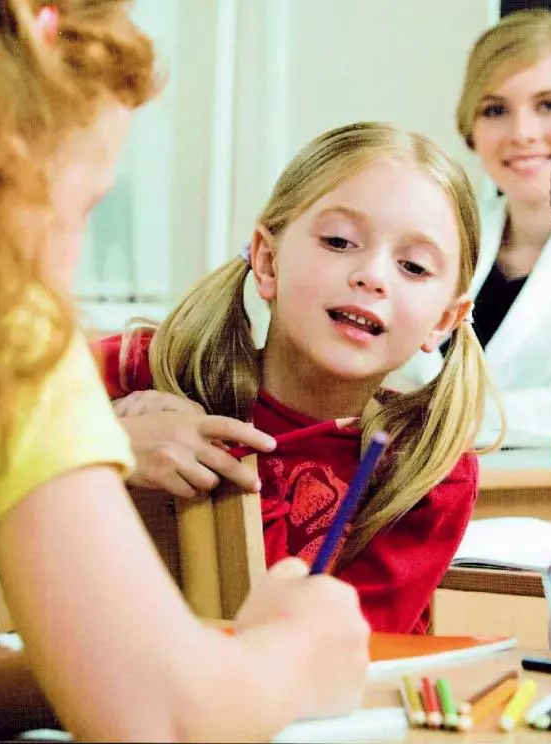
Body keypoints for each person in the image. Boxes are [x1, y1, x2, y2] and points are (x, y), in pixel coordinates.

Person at [0, 1, 369, 740]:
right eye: (83, 208)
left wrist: (101, 665)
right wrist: (294, 656)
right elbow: (168, 721)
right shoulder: (20, 343)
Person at [96, 121, 497, 635]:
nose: (372, 275)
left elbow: (323, 653)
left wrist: (232, 467)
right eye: (338, 241)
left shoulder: (427, 469)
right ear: (267, 260)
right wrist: (109, 442)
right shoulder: (155, 368)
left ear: (443, 320)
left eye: (414, 267)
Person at [386, 8, 551, 447]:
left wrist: (424, 413)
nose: (521, 133)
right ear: (472, 125)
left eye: (549, 105)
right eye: (496, 109)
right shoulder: (440, 235)